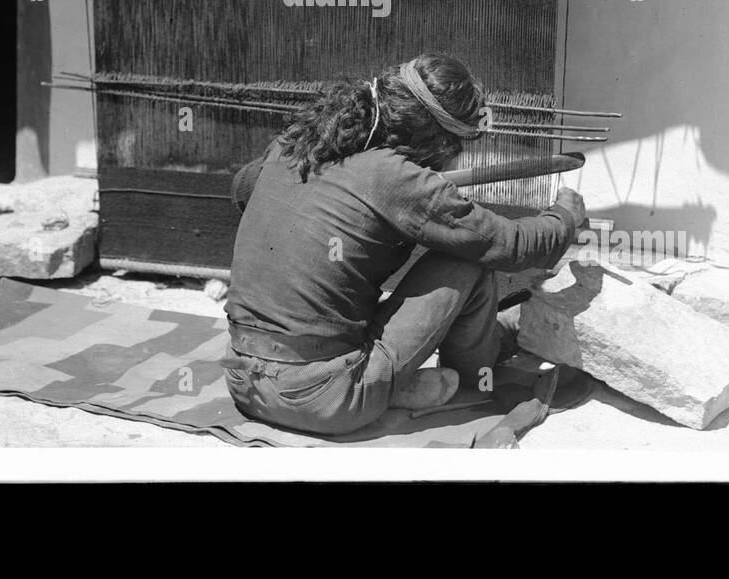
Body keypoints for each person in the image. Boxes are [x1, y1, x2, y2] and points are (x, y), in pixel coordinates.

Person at [220, 52, 587, 436]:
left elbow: (242, 190)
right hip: (324, 399)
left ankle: (400, 380)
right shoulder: (399, 179)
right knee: (471, 261)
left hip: (244, 383)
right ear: (439, 141)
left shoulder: (294, 145)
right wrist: (564, 216)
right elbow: (510, 245)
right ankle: (477, 376)